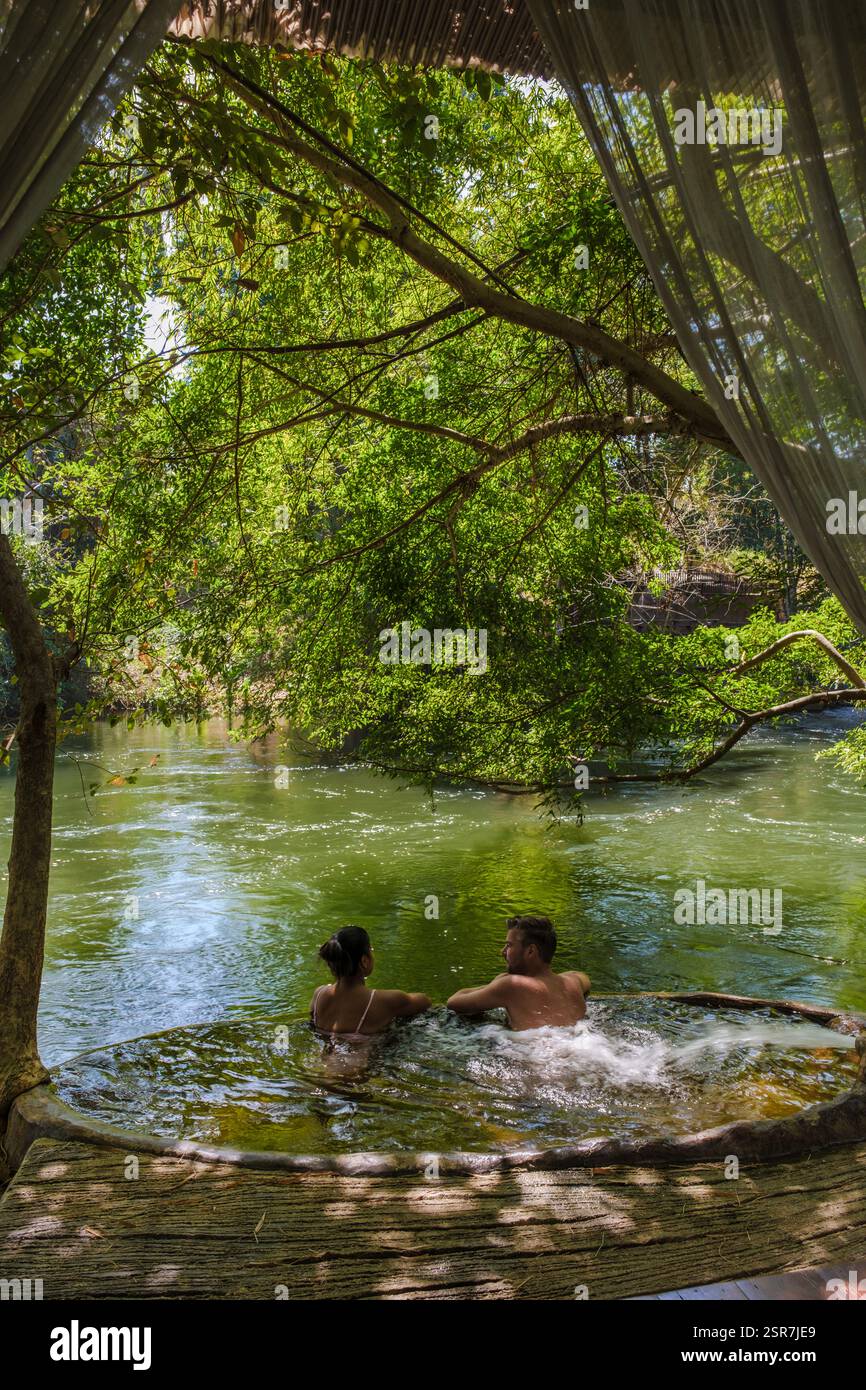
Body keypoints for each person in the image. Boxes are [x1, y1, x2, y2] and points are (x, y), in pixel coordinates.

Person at [446, 915, 590, 1031]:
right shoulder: (573, 981)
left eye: (509, 945)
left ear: (530, 951)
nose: (502, 951)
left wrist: (496, 982)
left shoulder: (511, 985)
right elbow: (584, 979)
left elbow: (454, 1002)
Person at [310, 925, 430, 1040]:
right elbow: (425, 1001)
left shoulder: (318, 994)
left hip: (318, 1059)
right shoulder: (383, 1000)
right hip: (360, 1060)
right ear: (364, 961)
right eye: (371, 950)